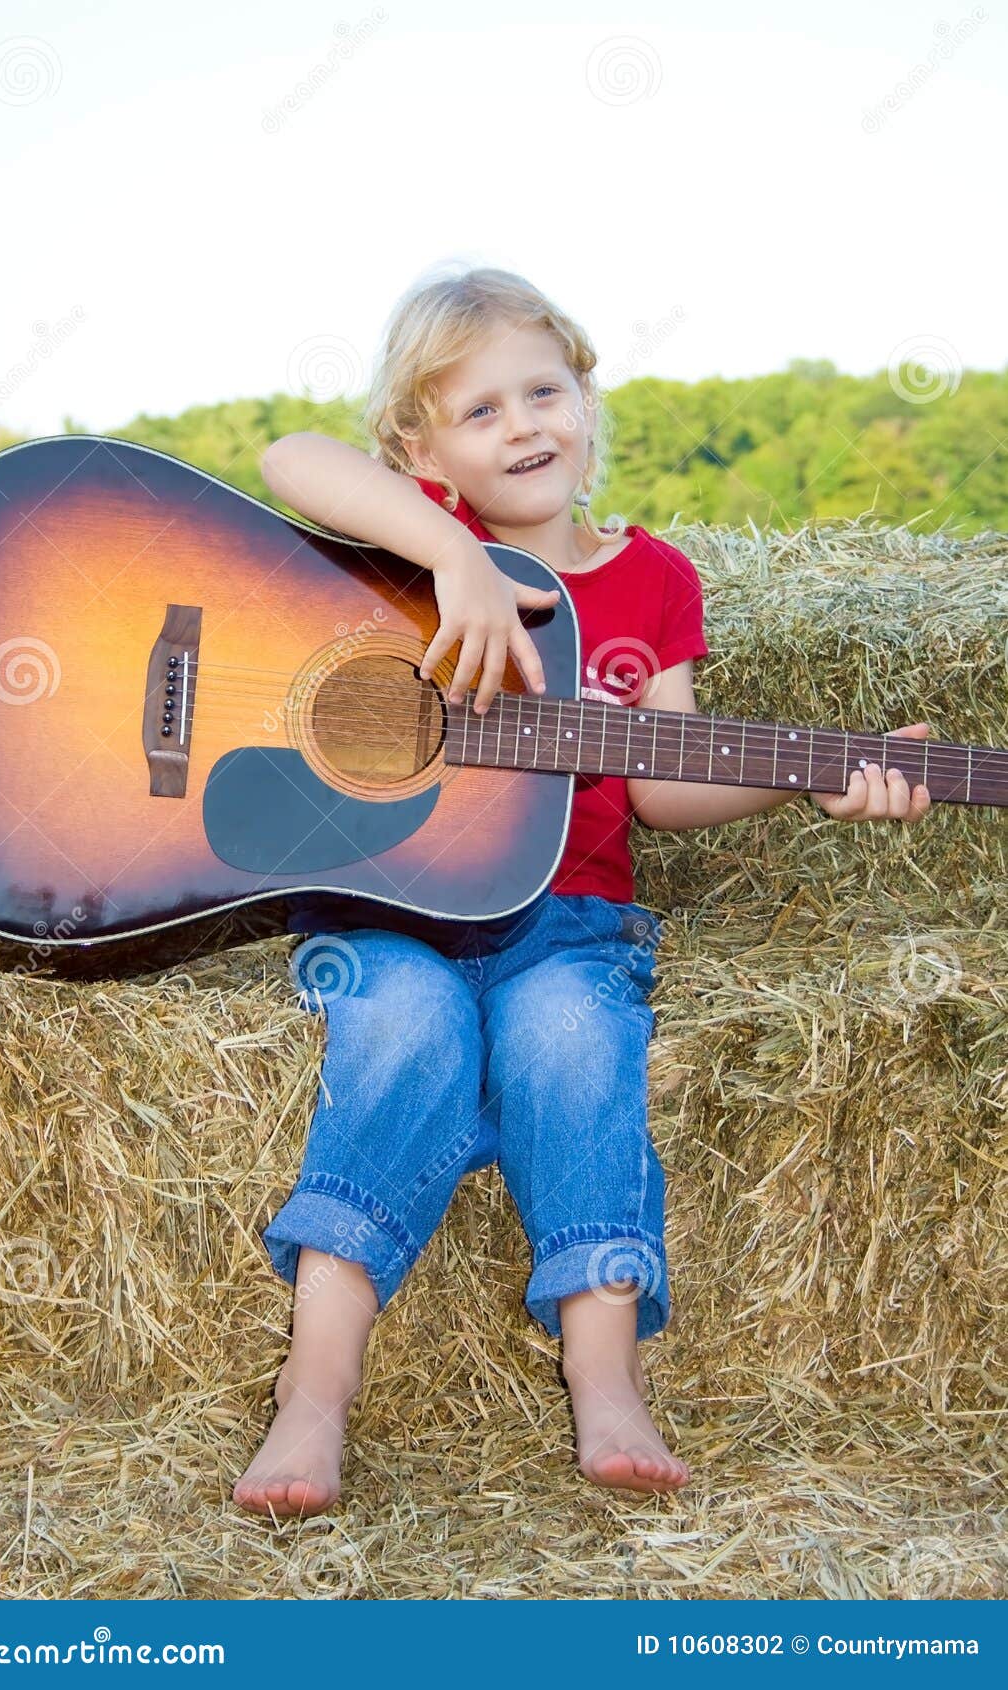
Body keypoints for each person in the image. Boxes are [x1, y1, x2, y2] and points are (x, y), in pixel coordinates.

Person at [233, 266, 933, 1517]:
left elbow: (666, 784)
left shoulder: (652, 579)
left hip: (569, 922)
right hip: (390, 919)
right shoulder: (404, 551)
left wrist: (818, 776)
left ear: (587, 397)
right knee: (404, 1027)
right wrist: (451, 554)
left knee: (571, 1038)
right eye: (481, 410)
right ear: (419, 446)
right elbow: (289, 455)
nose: (524, 426)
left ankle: (603, 1376)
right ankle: (312, 1392)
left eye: (542, 391)